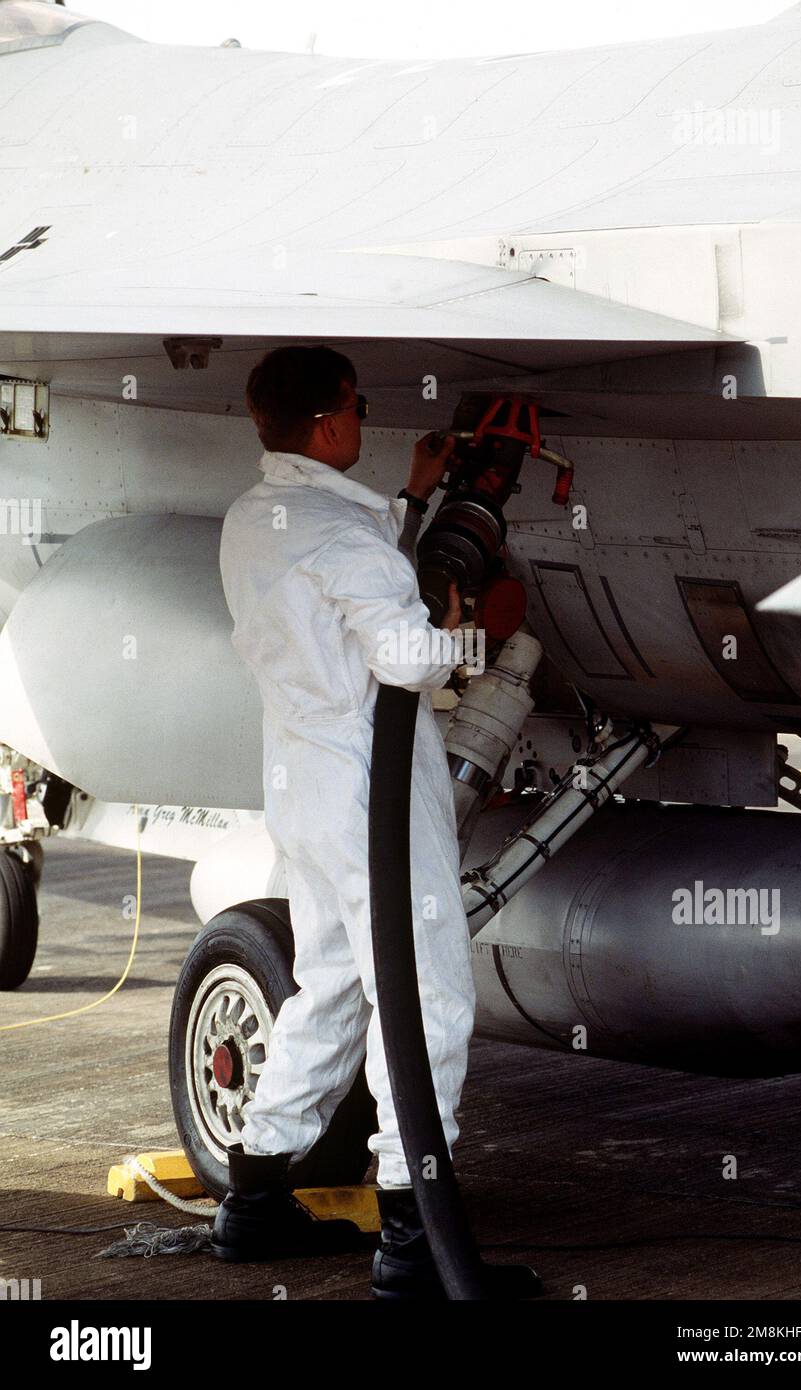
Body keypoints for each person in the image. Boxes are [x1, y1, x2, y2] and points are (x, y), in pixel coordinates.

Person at [216, 345, 541, 1300]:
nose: (363, 416)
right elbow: (409, 661)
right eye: (356, 406)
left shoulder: (257, 517)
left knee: (330, 984)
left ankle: (256, 1195)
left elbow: (331, 576)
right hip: (372, 790)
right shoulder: (346, 541)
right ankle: (413, 1235)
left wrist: (410, 500)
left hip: (302, 781)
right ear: (328, 425)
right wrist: (472, 628)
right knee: (427, 995)